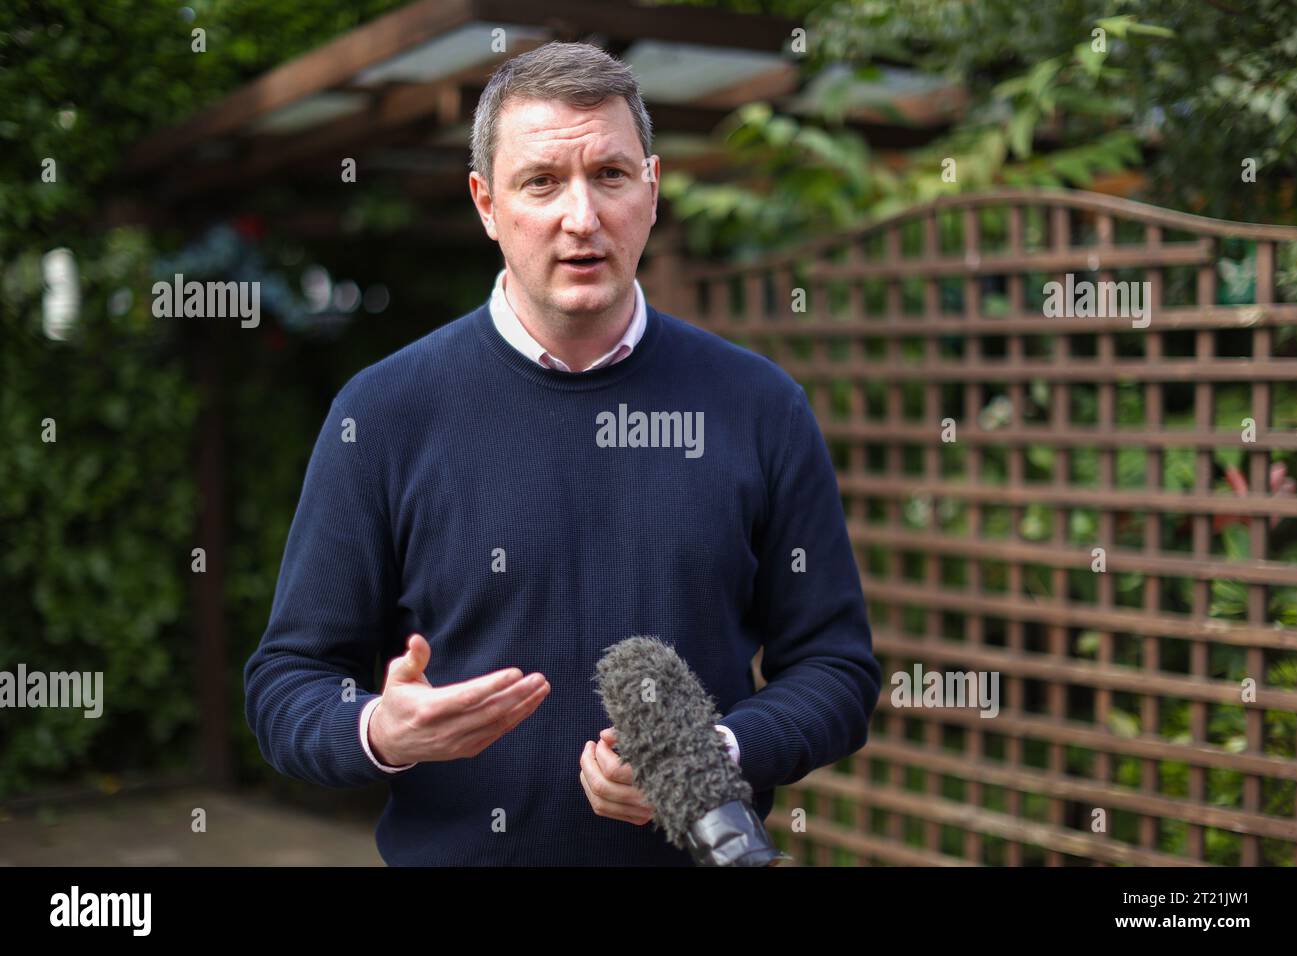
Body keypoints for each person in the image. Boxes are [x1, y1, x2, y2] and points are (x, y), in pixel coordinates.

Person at [243, 40, 881, 866]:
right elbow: (286, 682)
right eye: (541, 182)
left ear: (650, 191)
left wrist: (710, 758)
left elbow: (836, 671)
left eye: (610, 176)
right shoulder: (384, 413)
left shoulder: (760, 406)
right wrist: (377, 729)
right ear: (486, 203)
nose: (582, 217)